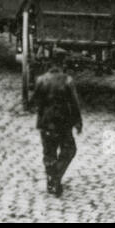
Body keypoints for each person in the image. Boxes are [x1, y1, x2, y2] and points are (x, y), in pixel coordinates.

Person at [31, 56, 82, 197]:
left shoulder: (41, 80)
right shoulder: (68, 81)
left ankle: (51, 178)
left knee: (49, 153)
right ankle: (57, 175)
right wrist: (78, 122)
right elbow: (75, 103)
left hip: (46, 123)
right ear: (62, 65)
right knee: (69, 149)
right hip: (63, 122)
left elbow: (35, 101)